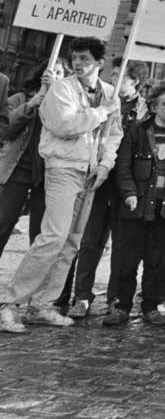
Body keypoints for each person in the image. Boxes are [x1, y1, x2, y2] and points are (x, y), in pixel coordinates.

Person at [0, 37, 122, 333]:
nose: (78, 64)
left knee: (71, 241)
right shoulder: (61, 89)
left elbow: (114, 134)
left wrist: (105, 165)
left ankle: (42, 304)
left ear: (100, 63)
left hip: (90, 171)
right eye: (75, 58)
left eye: (85, 59)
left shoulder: (110, 93)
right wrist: (100, 112)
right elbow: (65, 125)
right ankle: (9, 302)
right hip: (63, 167)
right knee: (53, 235)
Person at [104, 84, 165, 327]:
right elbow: (123, 167)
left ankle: (150, 307)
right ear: (154, 107)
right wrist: (129, 193)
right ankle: (121, 307)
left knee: (156, 261)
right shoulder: (137, 132)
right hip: (136, 207)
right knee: (127, 261)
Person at [65, 58, 147, 318]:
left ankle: (116, 299)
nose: (113, 79)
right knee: (90, 241)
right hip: (98, 179)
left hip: (127, 185)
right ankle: (82, 296)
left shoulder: (145, 111)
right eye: (112, 74)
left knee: (122, 246)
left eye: (120, 75)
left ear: (135, 81)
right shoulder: (102, 100)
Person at [0, 60, 67, 258]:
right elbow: (5, 129)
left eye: (59, 73)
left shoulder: (68, 103)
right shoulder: (21, 98)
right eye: (51, 71)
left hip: (48, 172)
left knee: (39, 232)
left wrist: (56, 99)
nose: (54, 75)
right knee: (3, 221)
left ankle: (30, 275)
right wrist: (30, 104)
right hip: (18, 168)